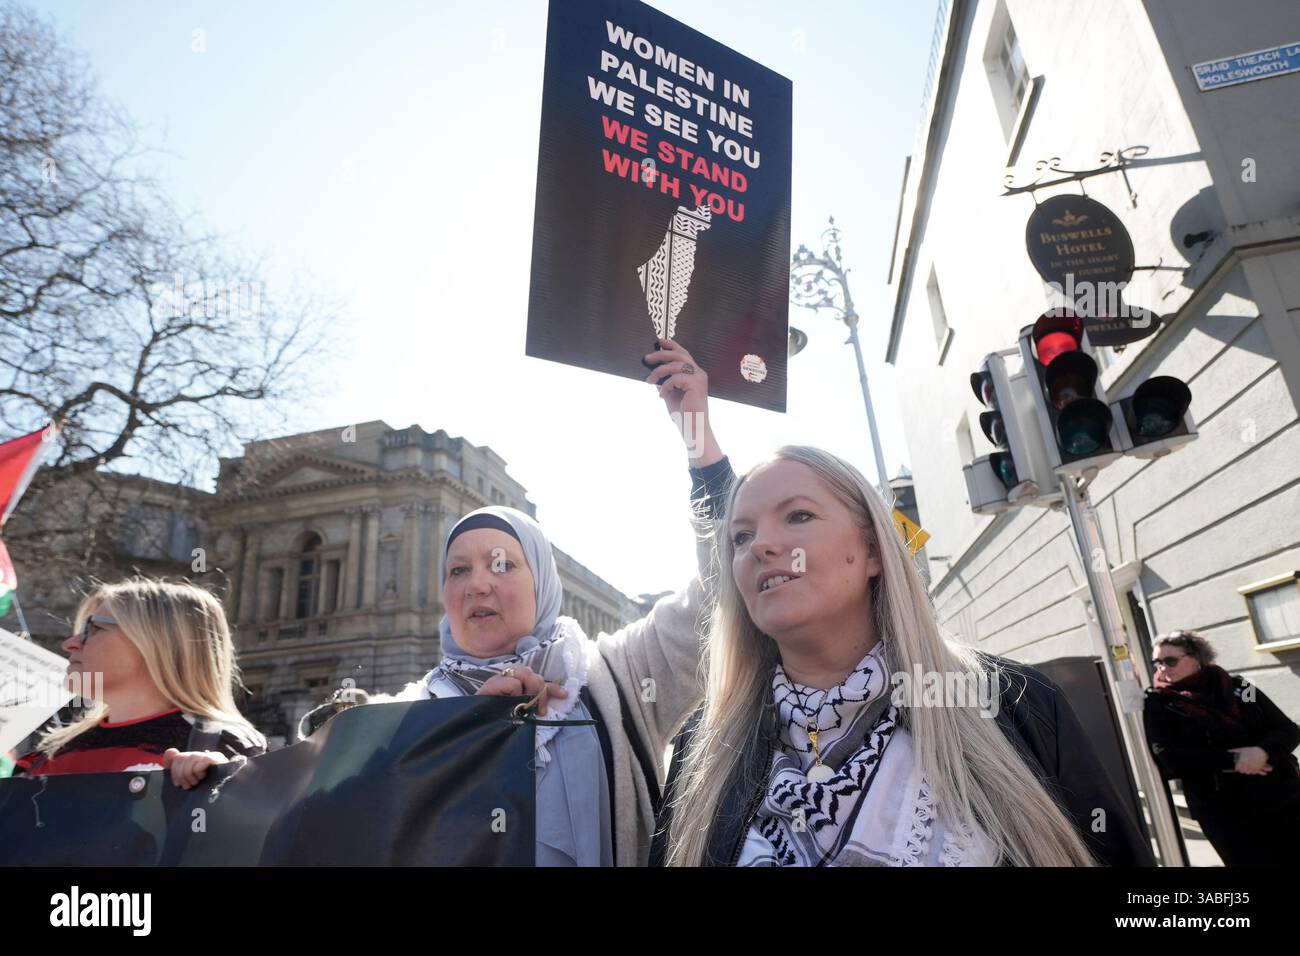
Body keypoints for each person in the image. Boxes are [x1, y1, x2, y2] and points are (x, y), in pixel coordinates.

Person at [652, 444, 1154, 867]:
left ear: (873, 551)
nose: (762, 545)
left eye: (799, 515)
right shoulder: (705, 745)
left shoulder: (1014, 704)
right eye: (742, 536)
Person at [389, 338, 733, 866]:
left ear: (543, 584)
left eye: (501, 564)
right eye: (458, 570)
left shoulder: (618, 677)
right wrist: (223, 779)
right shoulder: (409, 714)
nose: (476, 585)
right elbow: (319, 786)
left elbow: (724, 590)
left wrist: (697, 436)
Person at [15, 578, 266, 789]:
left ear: (160, 644)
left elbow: (262, 838)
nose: (69, 643)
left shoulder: (220, 746)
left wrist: (221, 782)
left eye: (95, 629)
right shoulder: (44, 759)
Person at [1143, 629, 1300, 865]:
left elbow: (1288, 730)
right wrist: (1235, 760)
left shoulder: (1239, 687)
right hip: (1223, 810)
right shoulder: (1160, 703)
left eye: (1170, 660)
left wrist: (1262, 752)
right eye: (1157, 662)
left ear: (1196, 657)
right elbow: (1168, 756)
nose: (1162, 668)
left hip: (1281, 795)